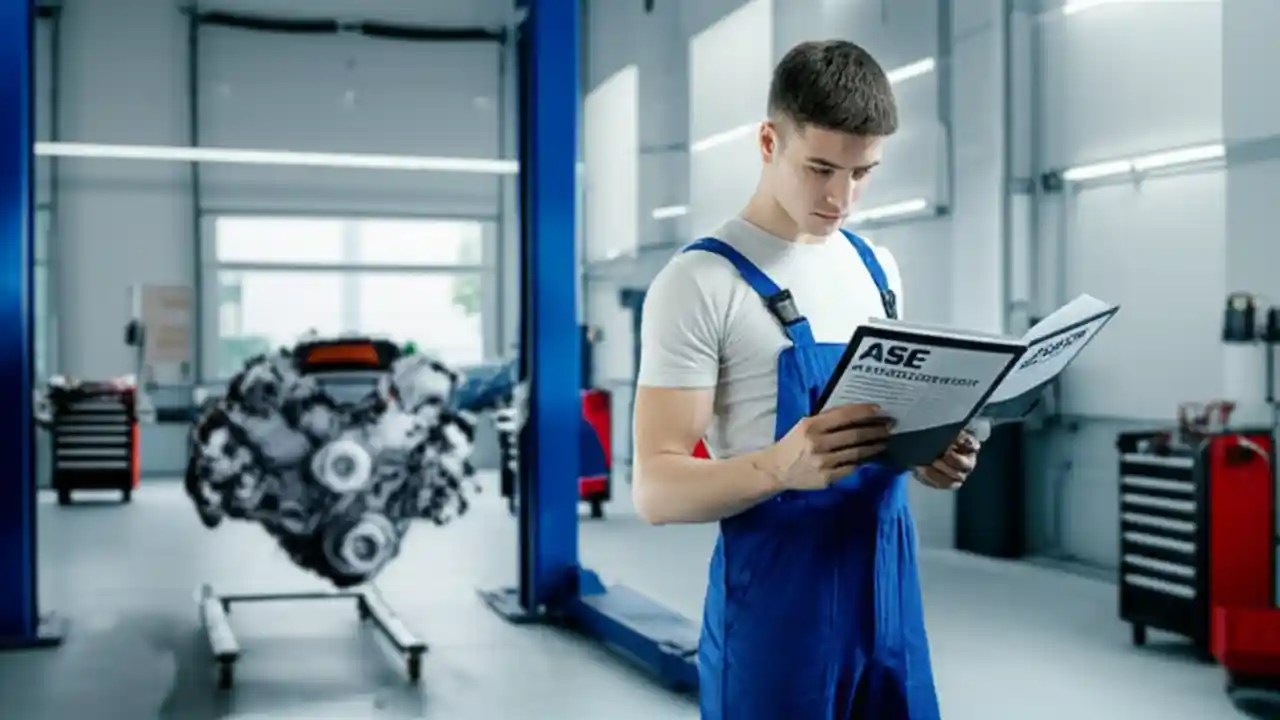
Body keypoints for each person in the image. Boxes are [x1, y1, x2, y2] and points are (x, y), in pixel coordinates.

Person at [631, 40, 984, 719]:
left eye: (863, 172)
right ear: (768, 140)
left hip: (891, 600)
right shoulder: (702, 283)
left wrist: (928, 452)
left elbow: (883, 428)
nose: (840, 197)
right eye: (820, 167)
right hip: (778, 615)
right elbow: (655, 489)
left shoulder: (876, 268)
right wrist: (775, 467)